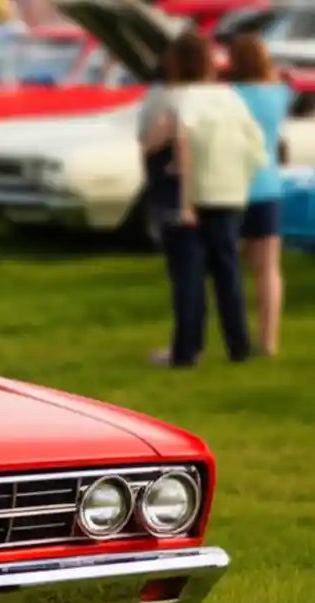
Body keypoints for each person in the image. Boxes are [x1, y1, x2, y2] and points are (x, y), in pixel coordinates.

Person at [143, 31, 266, 367]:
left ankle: (186, 351)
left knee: (189, 276)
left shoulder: (177, 98)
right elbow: (255, 144)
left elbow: (167, 141)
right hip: (229, 193)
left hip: (191, 197)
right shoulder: (230, 98)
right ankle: (238, 346)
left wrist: (154, 149)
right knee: (228, 272)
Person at [230, 33, 290, 357]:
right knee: (268, 269)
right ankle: (269, 340)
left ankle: (237, 335)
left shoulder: (230, 96)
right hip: (268, 187)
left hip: (234, 188)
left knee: (232, 268)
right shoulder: (279, 94)